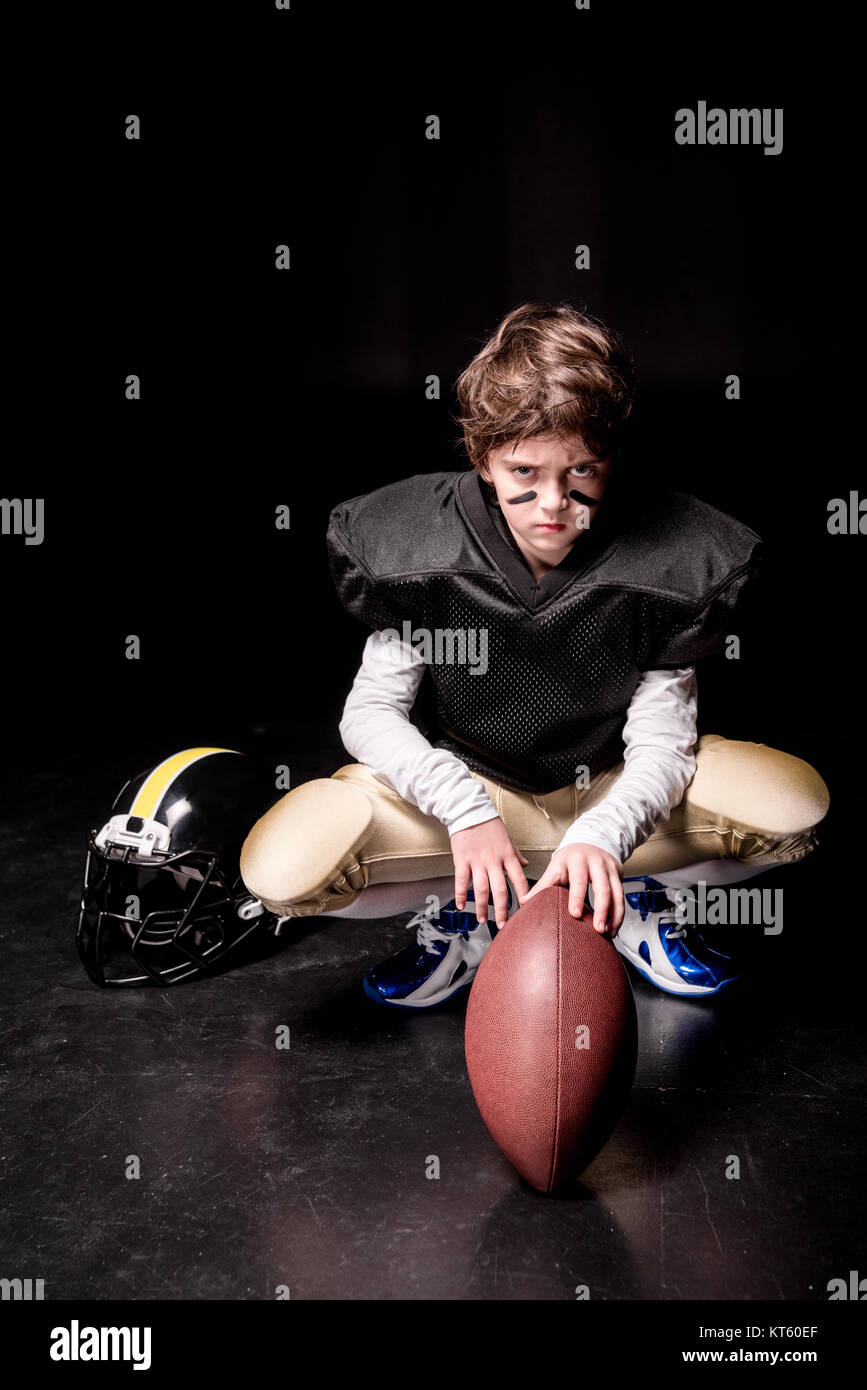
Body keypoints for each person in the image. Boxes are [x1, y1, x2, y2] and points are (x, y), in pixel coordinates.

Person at [240, 302, 829, 1004]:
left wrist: (605, 836)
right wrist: (463, 810)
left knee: (791, 812)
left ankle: (626, 895)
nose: (553, 504)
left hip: (612, 789)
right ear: (481, 457)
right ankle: (468, 907)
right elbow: (370, 713)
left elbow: (663, 743)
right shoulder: (414, 548)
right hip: (473, 790)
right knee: (284, 873)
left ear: (611, 458)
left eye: (582, 471)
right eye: (523, 470)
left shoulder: (672, 554)